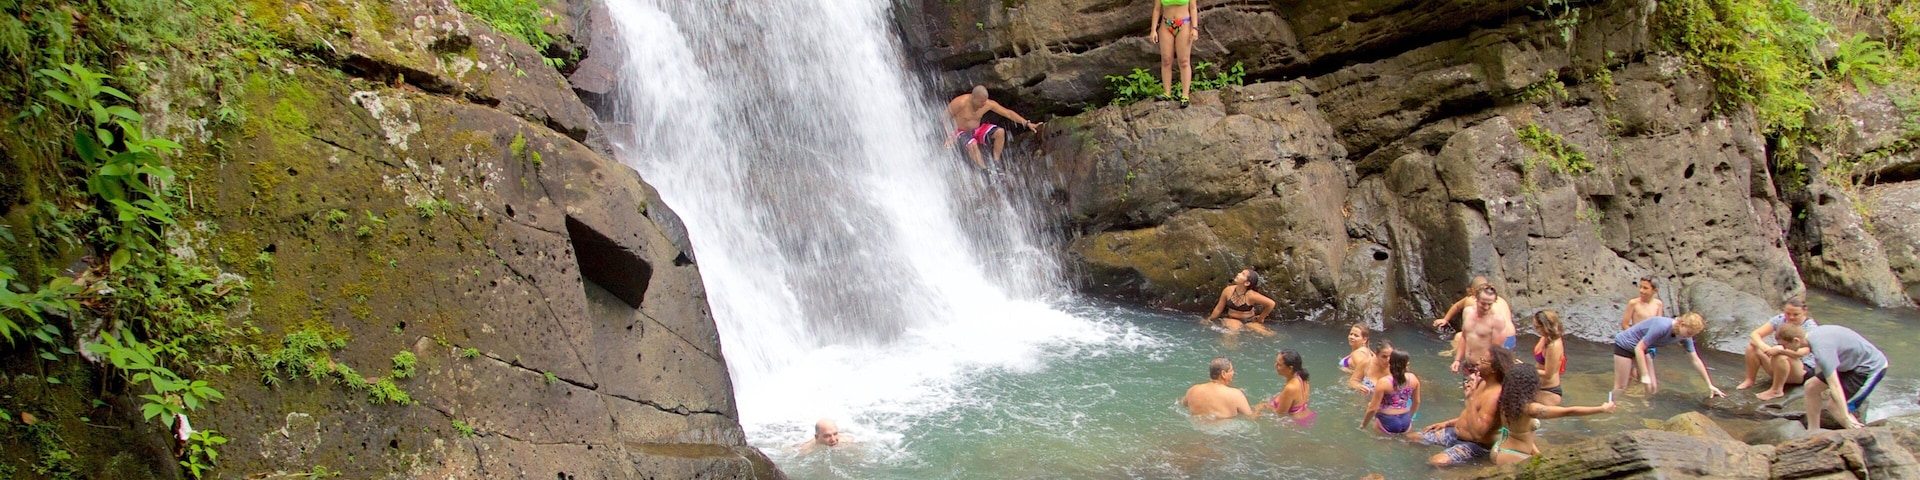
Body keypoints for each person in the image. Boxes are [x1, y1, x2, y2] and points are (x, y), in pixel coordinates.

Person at [1489, 363, 1617, 465]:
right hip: (1514, 456)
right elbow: (1569, 411)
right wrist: (1601, 409)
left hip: (1499, 449)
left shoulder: (1506, 401)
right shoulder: (1530, 409)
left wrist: (1538, 455)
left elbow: (1520, 434)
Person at [1774, 323, 1888, 430]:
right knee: (1811, 386)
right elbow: (1802, 352)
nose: (1783, 348)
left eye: (1784, 345)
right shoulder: (1813, 335)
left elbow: (1835, 386)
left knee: (1835, 406)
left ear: (1796, 340)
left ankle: (1862, 437)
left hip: (1869, 367)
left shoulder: (1822, 351)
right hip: (1847, 363)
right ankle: (1813, 431)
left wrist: (1845, 416)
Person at [1413, 347, 1510, 467]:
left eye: (1483, 361)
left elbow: (1477, 433)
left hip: (1476, 444)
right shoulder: (1483, 383)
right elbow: (1470, 414)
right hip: (1456, 433)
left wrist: (1470, 398)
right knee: (1414, 437)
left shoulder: (1495, 396)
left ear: (1494, 369)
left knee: (1437, 461)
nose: (1478, 362)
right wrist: (1447, 423)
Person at [1611, 313, 1726, 398]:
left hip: (1643, 348)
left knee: (1652, 387)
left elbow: (1695, 360)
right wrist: (1644, 374)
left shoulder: (1685, 336)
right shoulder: (1662, 326)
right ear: (1682, 324)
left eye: (1692, 335)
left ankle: (1644, 412)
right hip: (1625, 345)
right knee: (1621, 387)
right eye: (1689, 333)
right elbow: (1639, 348)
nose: (1688, 337)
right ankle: (1611, 406)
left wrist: (1709, 384)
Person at [943, 86, 1042, 171]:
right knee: (973, 144)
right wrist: (950, 135)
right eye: (981, 102)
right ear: (973, 98)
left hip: (976, 130)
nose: (983, 104)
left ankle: (996, 163)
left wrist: (1027, 123)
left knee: (1000, 132)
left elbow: (1008, 113)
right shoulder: (960, 102)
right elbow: (945, 117)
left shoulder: (988, 104)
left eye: (985, 101)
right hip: (960, 131)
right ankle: (984, 170)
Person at [1737, 296, 1818, 400]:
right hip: (1780, 365)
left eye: (1795, 314)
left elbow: (1802, 352)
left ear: (1804, 312)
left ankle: (1776, 390)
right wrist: (1765, 348)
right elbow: (1755, 334)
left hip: (1802, 370)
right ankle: (1750, 380)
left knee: (1780, 355)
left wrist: (1780, 350)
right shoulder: (1780, 319)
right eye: (1788, 313)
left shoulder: (1810, 327)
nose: (1791, 317)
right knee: (1752, 347)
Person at [1450, 282, 1515, 375]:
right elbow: (1464, 337)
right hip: (1468, 364)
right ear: (1476, 298)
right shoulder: (1468, 312)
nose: (1486, 307)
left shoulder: (1497, 320)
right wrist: (1457, 360)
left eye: (1490, 304)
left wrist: (1483, 370)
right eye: (1483, 303)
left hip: (1483, 368)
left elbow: (1495, 351)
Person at [1432, 277, 1504, 357]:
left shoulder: (1471, 301)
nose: (1486, 307)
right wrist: (1445, 319)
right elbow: (1456, 307)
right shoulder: (1496, 300)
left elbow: (1457, 307)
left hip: (1496, 338)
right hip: (1508, 337)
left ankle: (1453, 352)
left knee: (1459, 336)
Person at [1149, 0, 1199, 106]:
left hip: (1184, 23)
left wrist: (1194, 28)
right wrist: (1153, 29)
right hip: (1166, 24)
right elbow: (1157, 9)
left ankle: (1185, 95)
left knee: (1184, 61)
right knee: (1166, 60)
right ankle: (1167, 93)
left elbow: (1193, 8)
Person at [1200, 268, 1277, 336]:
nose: (1238, 274)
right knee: (1231, 333)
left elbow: (1271, 304)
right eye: (1240, 272)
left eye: (1243, 274)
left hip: (1249, 320)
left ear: (1247, 283)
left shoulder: (1252, 295)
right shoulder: (1228, 290)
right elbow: (1219, 308)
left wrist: (1261, 318)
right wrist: (1209, 320)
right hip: (1233, 319)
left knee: (1268, 334)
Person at [1362, 350, 1422, 434]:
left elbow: (1372, 409)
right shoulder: (1413, 378)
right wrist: (1409, 417)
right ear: (1407, 364)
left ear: (1390, 363)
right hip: (1406, 421)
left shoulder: (1383, 382)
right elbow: (1417, 402)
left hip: (1386, 420)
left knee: (1382, 445)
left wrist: (1363, 425)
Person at [1619, 276, 1666, 383]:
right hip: (1635, 340)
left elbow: (1659, 324)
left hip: (1650, 342)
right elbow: (1625, 324)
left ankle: (1642, 393)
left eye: (1645, 288)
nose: (1641, 291)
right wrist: (1635, 338)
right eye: (1640, 287)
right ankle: (1630, 393)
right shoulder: (1633, 303)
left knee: (1645, 371)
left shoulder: (1658, 304)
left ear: (1655, 291)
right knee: (1633, 371)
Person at [1182, 357, 1256, 420]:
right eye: (1231, 370)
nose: (1233, 373)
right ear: (1223, 374)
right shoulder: (1235, 394)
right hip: (1223, 433)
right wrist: (1262, 407)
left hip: (1197, 428)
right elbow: (1251, 418)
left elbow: (1182, 404)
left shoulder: (1193, 390)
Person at [1255, 349, 1315, 424]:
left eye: (1279, 364)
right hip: (1307, 416)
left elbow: (1280, 415)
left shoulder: (1290, 388)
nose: (1275, 365)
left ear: (1290, 368)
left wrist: (1264, 406)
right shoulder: (1303, 378)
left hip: (1295, 424)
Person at [1531, 310, 1568, 406]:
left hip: (1548, 392)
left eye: (1537, 327)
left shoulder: (1553, 346)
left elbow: (1548, 374)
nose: (1535, 329)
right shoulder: (1544, 337)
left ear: (1546, 326)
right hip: (1538, 386)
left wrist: (1526, 369)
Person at [1339, 324, 1376, 391]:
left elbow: (1366, 372)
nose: (1351, 337)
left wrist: (1348, 371)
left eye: (1356, 335)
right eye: (1351, 334)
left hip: (1357, 389)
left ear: (1364, 339)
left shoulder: (1357, 354)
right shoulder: (1369, 351)